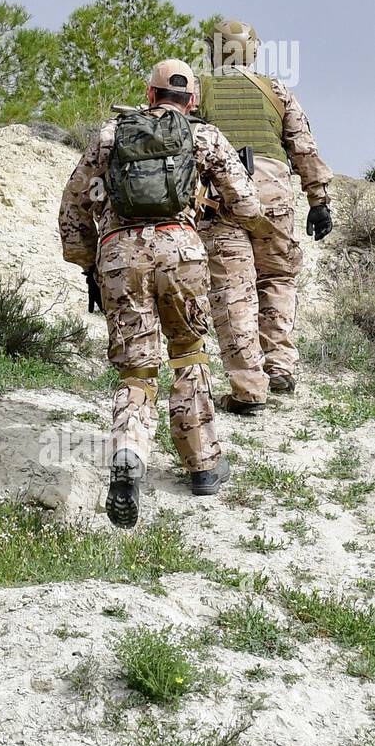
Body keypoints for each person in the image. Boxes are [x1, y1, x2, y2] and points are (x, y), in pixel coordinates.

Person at [59, 60, 274, 528]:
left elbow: (73, 204)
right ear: (192, 101)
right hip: (182, 253)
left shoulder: (110, 135)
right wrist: (257, 229)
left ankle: (128, 450)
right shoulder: (206, 137)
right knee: (188, 354)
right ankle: (202, 467)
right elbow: (244, 203)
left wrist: (88, 264)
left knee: (137, 371)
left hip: (120, 255)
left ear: (149, 94)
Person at [197, 19, 333, 410]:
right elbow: (303, 147)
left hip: (222, 198)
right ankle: (280, 366)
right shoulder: (275, 90)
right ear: (251, 50)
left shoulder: (201, 89)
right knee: (277, 277)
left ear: (214, 50)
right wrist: (318, 201)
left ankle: (247, 388)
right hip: (275, 195)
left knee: (232, 289)